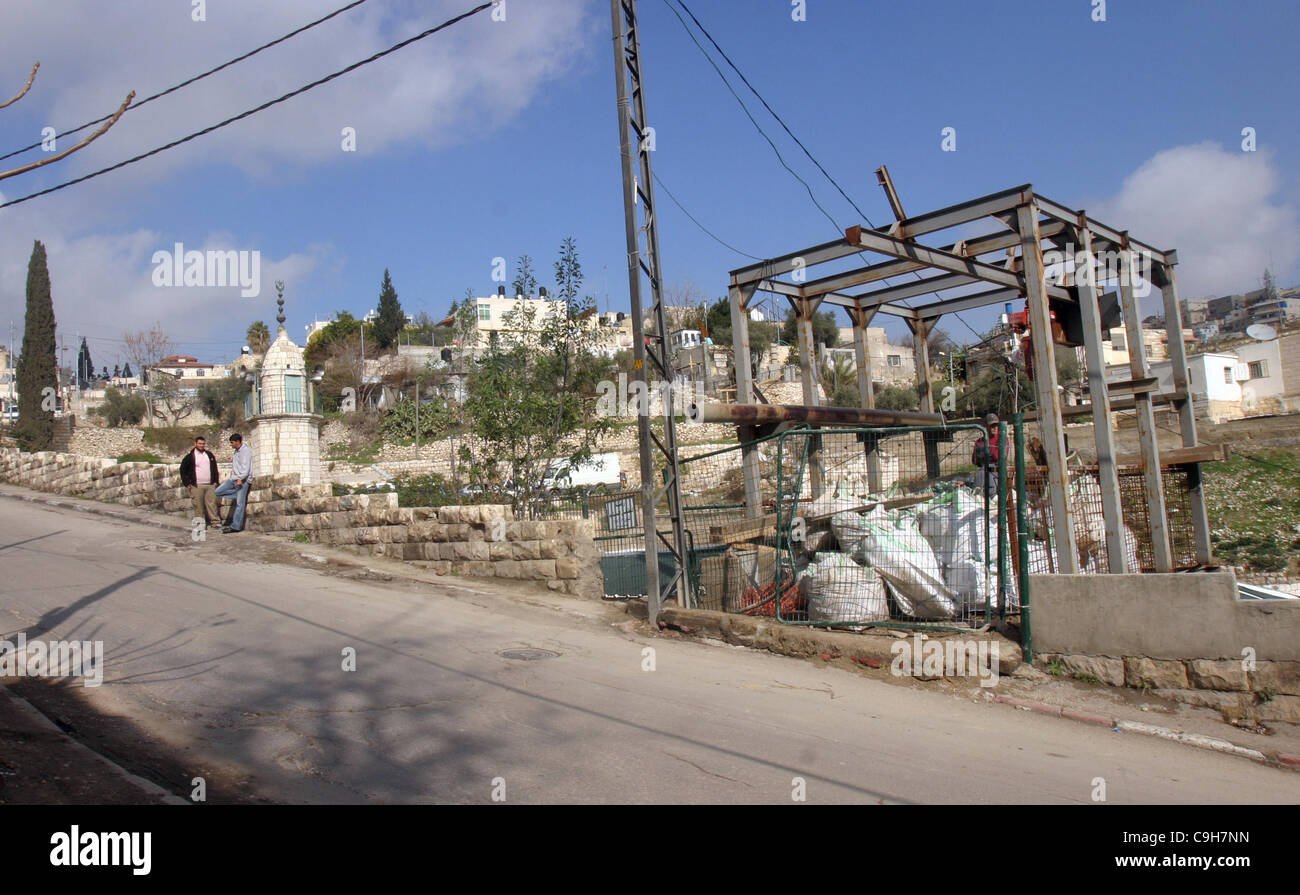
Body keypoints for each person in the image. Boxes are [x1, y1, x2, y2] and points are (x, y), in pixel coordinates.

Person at [215, 433, 252, 533]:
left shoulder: (245, 451)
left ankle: (236, 526)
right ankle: (238, 495)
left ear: (238, 442)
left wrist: (240, 478)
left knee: (240, 504)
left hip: (242, 480)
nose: (231, 445)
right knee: (217, 492)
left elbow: (246, 467)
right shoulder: (236, 452)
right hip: (233, 479)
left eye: (232, 442)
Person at [180, 435, 220, 529]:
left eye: (203, 443)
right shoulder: (190, 457)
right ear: (195, 444)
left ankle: (215, 522)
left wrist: (215, 481)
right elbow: (182, 470)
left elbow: (214, 468)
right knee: (198, 506)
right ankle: (201, 524)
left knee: (212, 504)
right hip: (197, 485)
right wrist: (187, 483)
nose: (201, 445)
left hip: (210, 485)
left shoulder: (209, 455)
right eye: (199, 443)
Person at [972, 413, 1000, 493]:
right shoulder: (979, 441)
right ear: (985, 426)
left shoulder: (1001, 439)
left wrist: (985, 451)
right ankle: (977, 493)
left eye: (996, 425)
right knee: (981, 471)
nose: (995, 428)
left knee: (986, 470)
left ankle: (990, 494)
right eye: (992, 426)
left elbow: (998, 458)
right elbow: (974, 460)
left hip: (997, 469)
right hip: (983, 469)